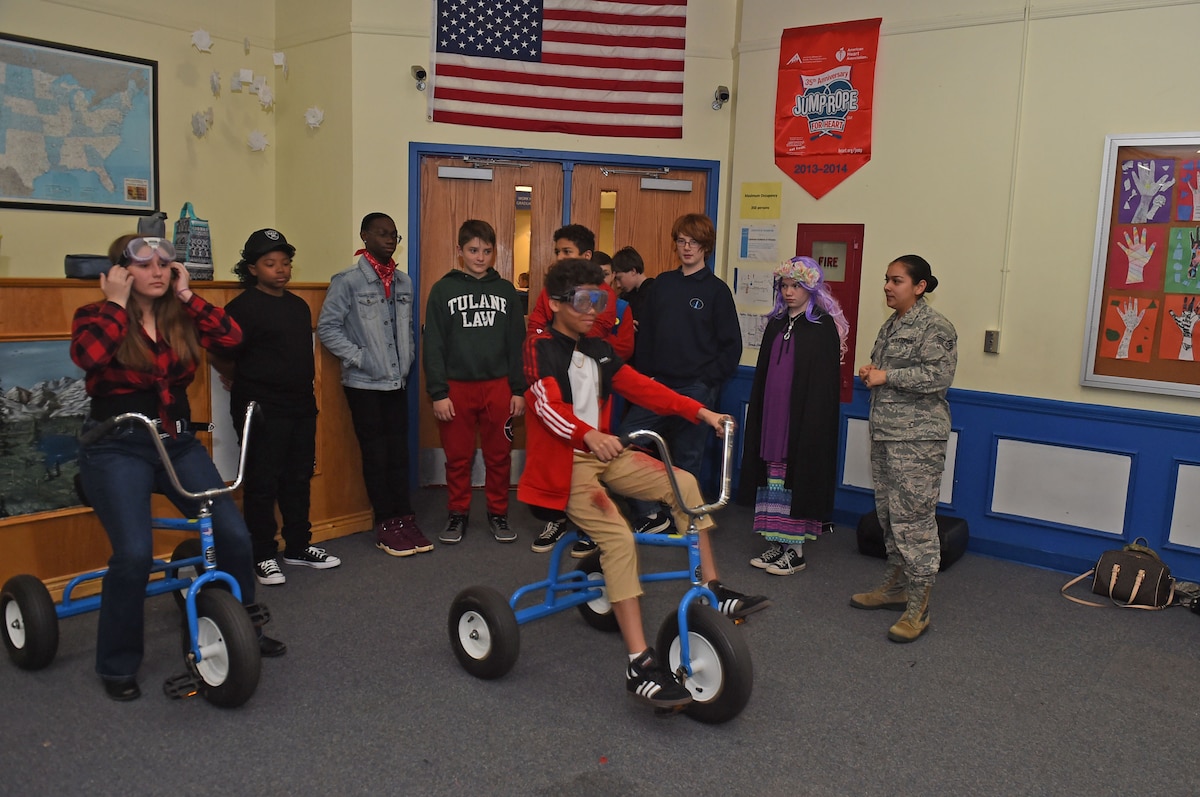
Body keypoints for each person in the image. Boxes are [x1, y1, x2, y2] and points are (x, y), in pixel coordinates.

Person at [519, 258, 769, 711]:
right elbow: (546, 406)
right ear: (555, 303)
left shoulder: (596, 348)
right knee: (618, 539)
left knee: (686, 483)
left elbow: (642, 387)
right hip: (568, 464)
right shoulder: (540, 346)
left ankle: (711, 587)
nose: (594, 309)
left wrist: (701, 412)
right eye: (583, 301)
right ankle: (638, 662)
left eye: (600, 299)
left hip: (604, 453)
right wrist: (588, 434)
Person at [71, 234, 286, 702]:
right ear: (122, 271)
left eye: (165, 263)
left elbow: (232, 338)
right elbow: (88, 358)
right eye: (143, 263)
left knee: (233, 534)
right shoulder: (95, 315)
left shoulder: (181, 314)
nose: (157, 271)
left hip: (176, 441)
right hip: (116, 445)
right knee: (133, 554)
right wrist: (114, 303)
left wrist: (189, 295)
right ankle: (116, 663)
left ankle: (241, 628)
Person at [215, 228, 339, 586]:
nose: (280, 270)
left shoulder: (298, 306)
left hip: (300, 404)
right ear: (252, 268)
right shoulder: (241, 308)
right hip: (260, 408)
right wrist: (240, 380)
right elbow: (220, 355)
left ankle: (298, 545)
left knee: (298, 478)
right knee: (261, 482)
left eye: (285, 263)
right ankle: (263, 553)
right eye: (270, 264)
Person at [852, 254, 957, 643]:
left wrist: (887, 375)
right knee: (889, 517)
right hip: (886, 434)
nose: (887, 287)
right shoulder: (892, 323)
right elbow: (889, 372)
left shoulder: (936, 326)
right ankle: (895, 588)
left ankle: (919, 608)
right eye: (886, 280)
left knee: (914, 523)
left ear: (920, 286)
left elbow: (938, 375)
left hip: (917, 442)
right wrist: (872, 371)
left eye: (896, 281)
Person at [317, 213, 432, 557]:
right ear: (364, 235)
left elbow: (407, 329)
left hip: (397, 382)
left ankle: (404, 516)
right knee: (376, 454)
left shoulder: (405, 282)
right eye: (381, 233)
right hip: (364, 383)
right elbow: (327, 329)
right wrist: (362, 357)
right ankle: (386, 522)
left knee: (399, 452)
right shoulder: (348, 282)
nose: (389, 239)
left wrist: (408, 358)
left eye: (394, 235)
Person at [619, 214, 742, 537]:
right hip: (658, 385)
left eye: (694, 243)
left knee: (687, 458)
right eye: (682, 241)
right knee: (628, 441)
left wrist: (706, 381)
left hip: (696, 388)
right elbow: (645, 338)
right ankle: (650, 513)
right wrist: (645, 380)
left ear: (706, 248)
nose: (687, 248)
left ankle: (685, 521)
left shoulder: (717, 291)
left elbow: (731, 347)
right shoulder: (662, 285)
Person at [738, 257, 848, 576]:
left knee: (793, 474)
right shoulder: (775, 323)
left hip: (801, 420)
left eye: (795, 286)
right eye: (784, 286)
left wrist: (810, 421)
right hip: (773, 415)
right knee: (772, 472)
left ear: (810, 288)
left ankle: (795, 550)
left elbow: (823, 386)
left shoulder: (821, 327)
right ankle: (777, 542)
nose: (788, 292)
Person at [423, 220, 526, 545]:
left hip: (498, 387)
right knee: (458, 456)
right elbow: (434, 344)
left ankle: (498, 513)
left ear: (494, 252)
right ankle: (457, 514)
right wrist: (438, 392)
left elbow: (517, 344)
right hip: (456, 388)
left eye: (486, 250)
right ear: (460, 252)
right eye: (473, 250)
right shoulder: (443, 290)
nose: (480, 257)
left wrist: (519, 389)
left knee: (499, 455)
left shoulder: (506, 290)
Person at [526, 224, 618, 555]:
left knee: (589, 454)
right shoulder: (551, 289)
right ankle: (557, 518)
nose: (560, 258)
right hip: (556, 371)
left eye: (566, 252)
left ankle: (589, 525)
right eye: (558, 252)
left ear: (585, 256)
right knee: (558, 450)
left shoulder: (602, 290)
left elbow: (600, 327)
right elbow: (537, 322)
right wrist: (551, 339)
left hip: (589, 377)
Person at [594, 250, 635, 361]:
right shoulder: (578, 304)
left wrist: (591, 342)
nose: (600, 280)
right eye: (595, 274)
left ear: (613, 275)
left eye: (605, 274)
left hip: (612, 370)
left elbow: (625, 349)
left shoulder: (622, 308)